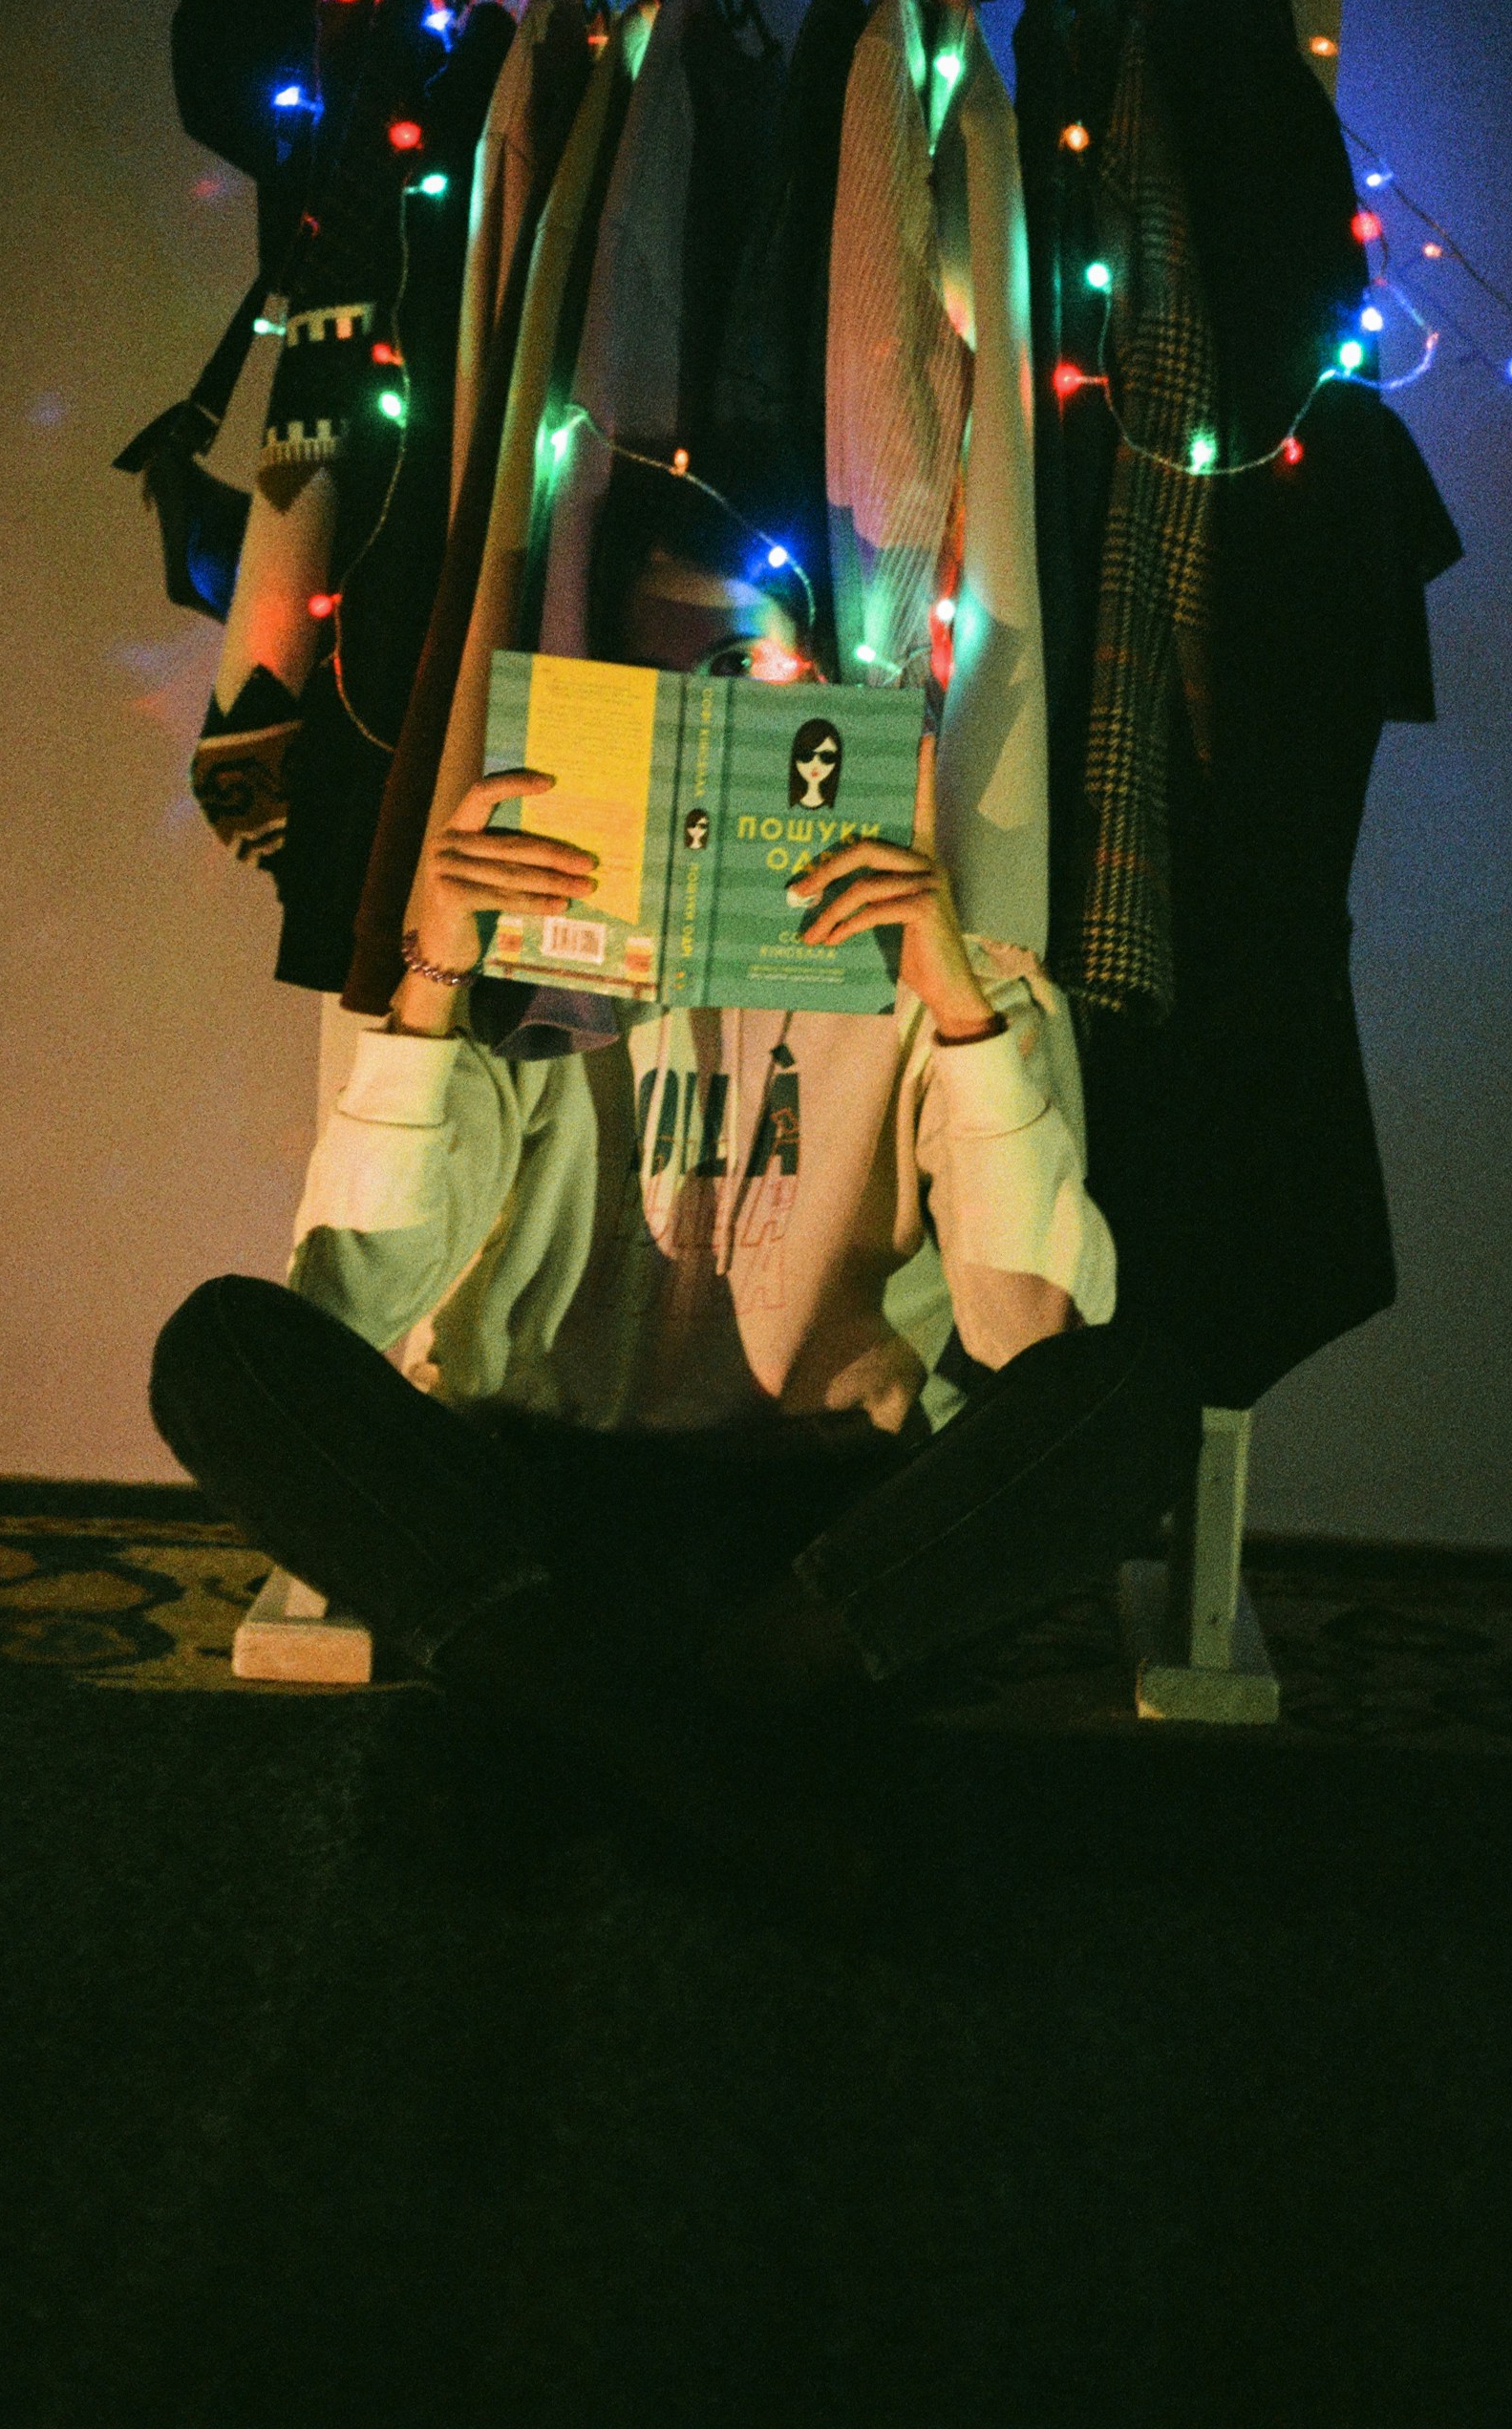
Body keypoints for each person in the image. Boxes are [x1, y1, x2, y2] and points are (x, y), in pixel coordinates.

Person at [150, 499, 1202, 1915]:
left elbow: (1038, 1336)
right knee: (218, 1346)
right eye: (665, 675)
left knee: (1135, 1392)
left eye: (751, 671)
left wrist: (962, 1005)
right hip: (535, 1512)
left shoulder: (944, 953)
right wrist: (431, 989)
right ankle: (702, 1755)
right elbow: (351, 1302)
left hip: (822, 1530)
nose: (713, 719)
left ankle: (602, 1726)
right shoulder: (511, 942)